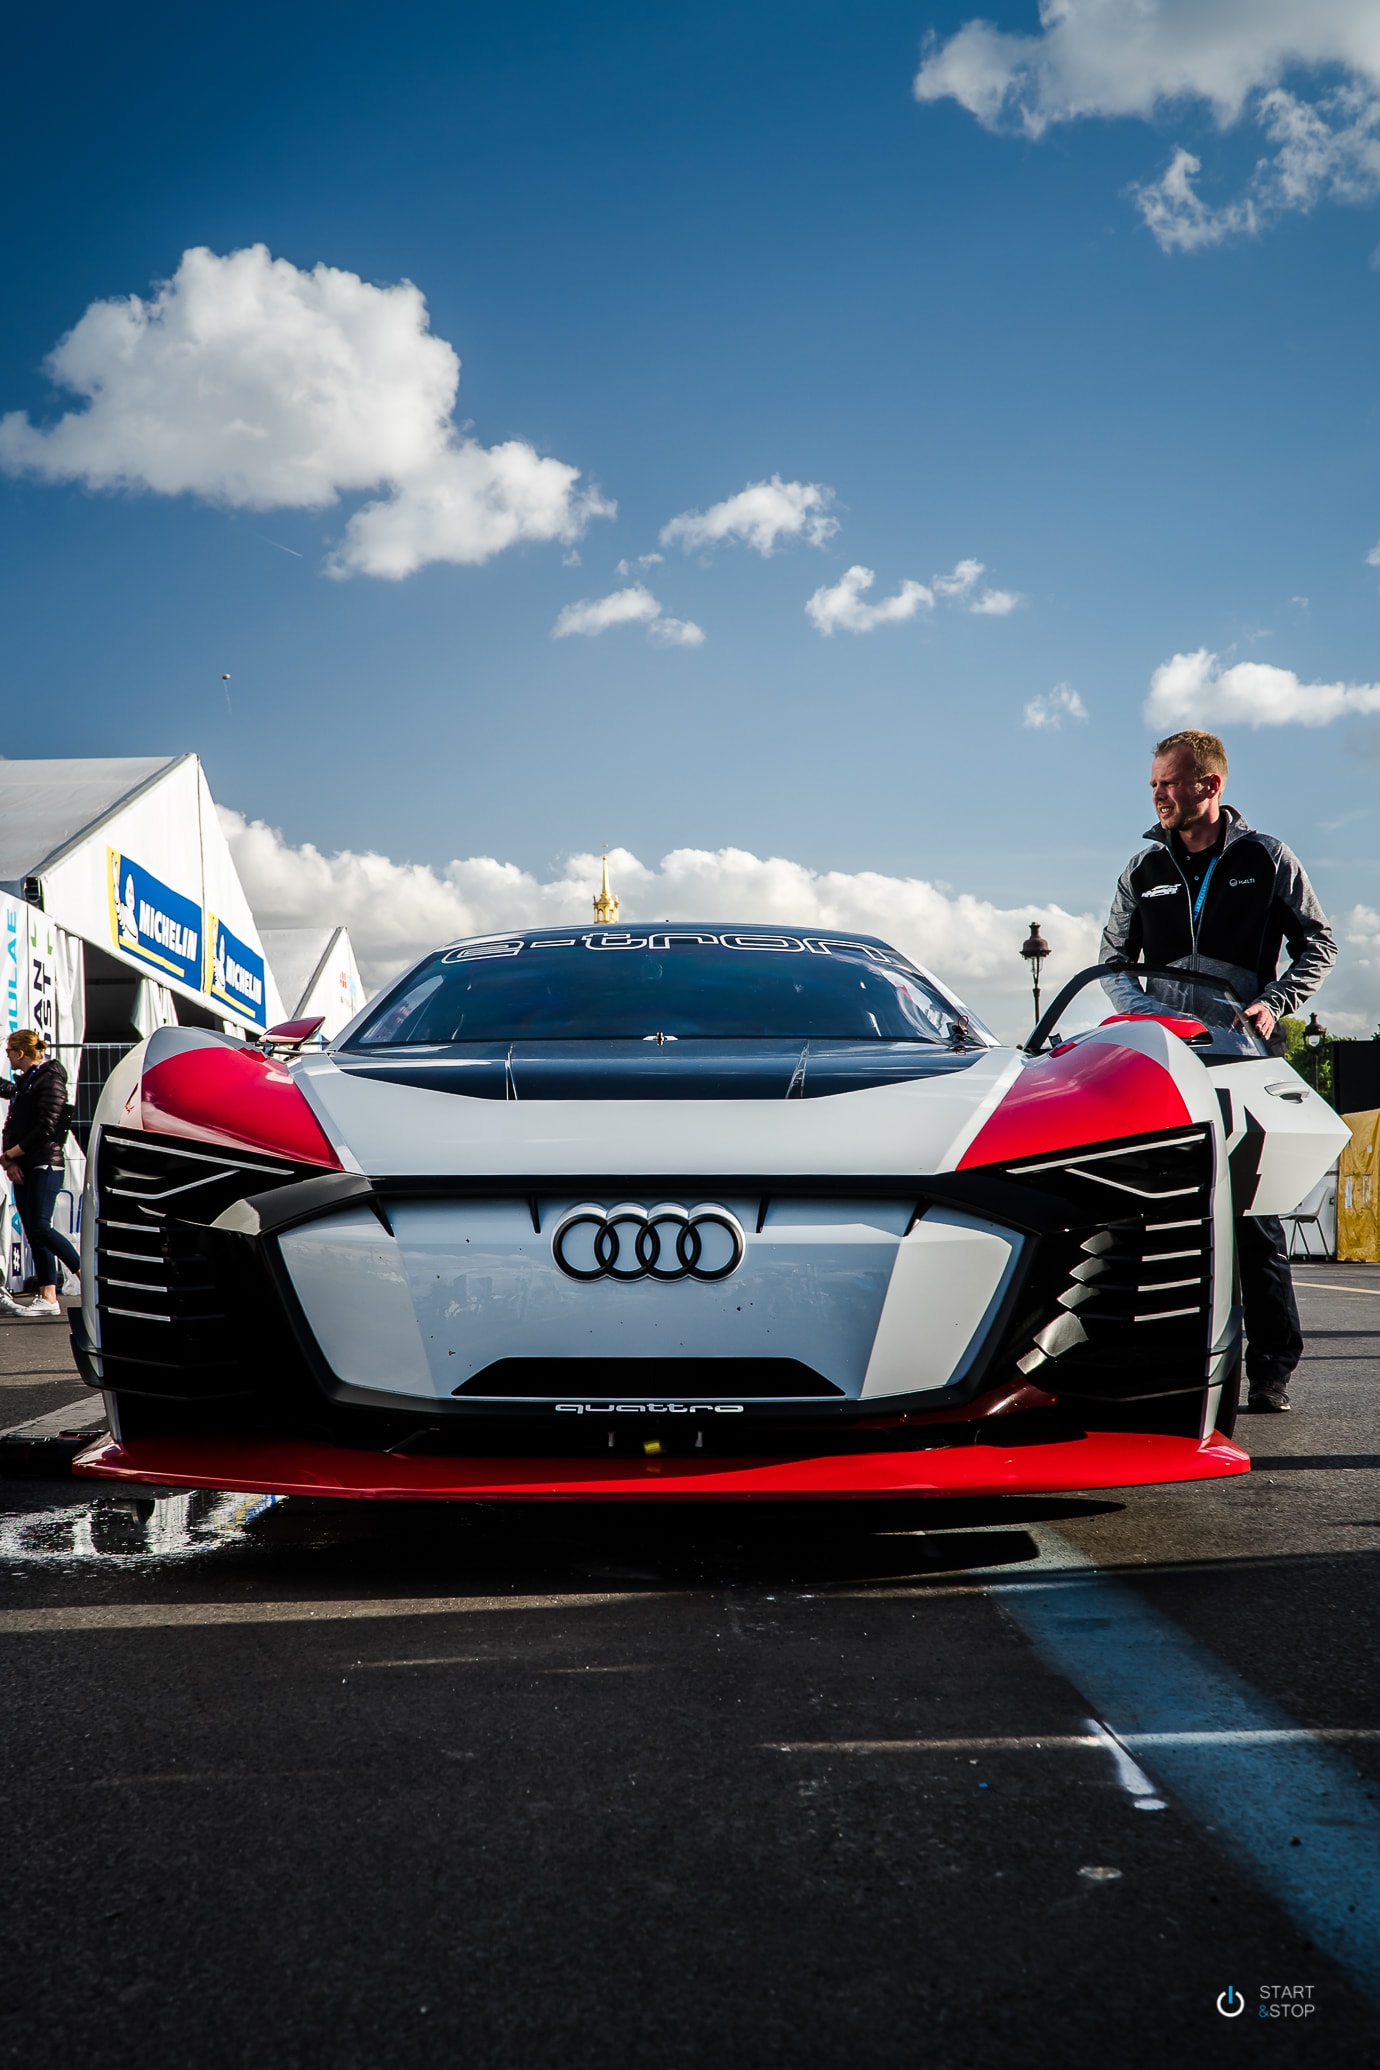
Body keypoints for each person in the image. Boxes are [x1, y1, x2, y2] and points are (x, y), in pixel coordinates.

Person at [1101, 728, 1337, 1414]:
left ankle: (1272, 1368)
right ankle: (1147, 1363)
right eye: (1153, 786)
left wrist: (1274, 1003)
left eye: (1170, 784)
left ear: (1210, 785)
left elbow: (1318, 943)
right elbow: (1114, 963)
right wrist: (1155, 1023)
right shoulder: (1141, 870)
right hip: (1167, 1063)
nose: (1159, 796)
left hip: (1242, 1061)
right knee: (1154, 1207)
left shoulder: (1267, 859)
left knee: (1254, 1215)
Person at [0, 1029, 81, 1319]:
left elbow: (47, 1125)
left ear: (20, 1053)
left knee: (40, 1227)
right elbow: (16, 1104)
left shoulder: (50, 1078)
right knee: (35, 1231)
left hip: (44, 1163)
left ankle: (83, 1271)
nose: (7, 1056)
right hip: (25, 1163)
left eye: (9, 1052)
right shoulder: (28, 1082)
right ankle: (48, 1294)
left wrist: (11, 1154)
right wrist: (11, 1160)